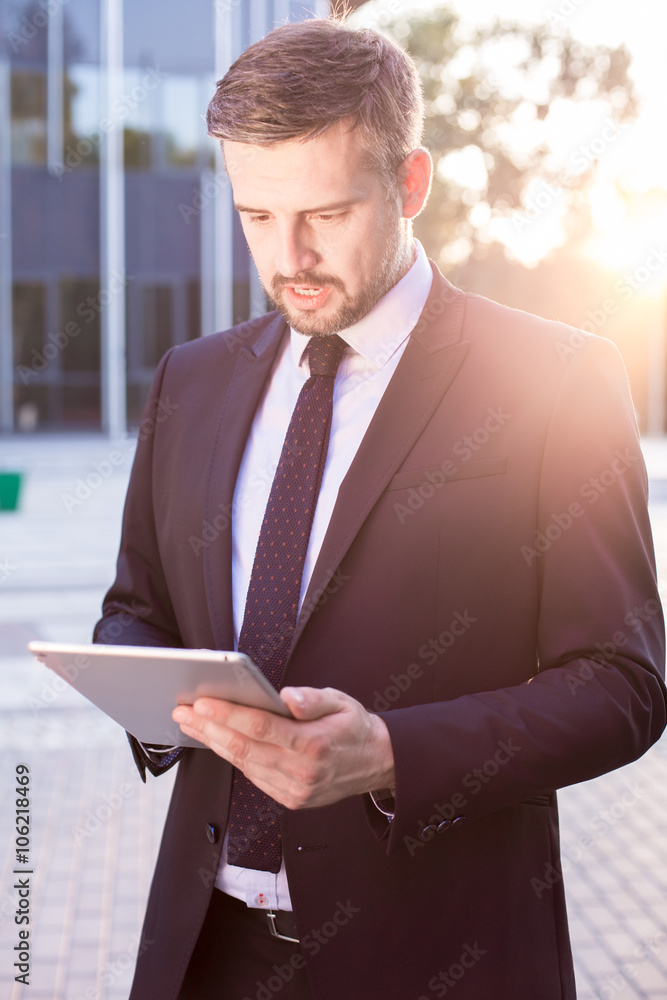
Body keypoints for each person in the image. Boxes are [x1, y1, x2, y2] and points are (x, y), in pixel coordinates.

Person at [93, 15, 666, 1000]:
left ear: (409, 185)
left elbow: (622, 684)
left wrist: (393, 753)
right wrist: (155, 695)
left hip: (441, 953)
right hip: (207, 951)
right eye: (257, 218)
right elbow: (137, 603)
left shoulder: (556, 379)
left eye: (324, 212)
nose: (290, 256)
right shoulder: (190, 381)